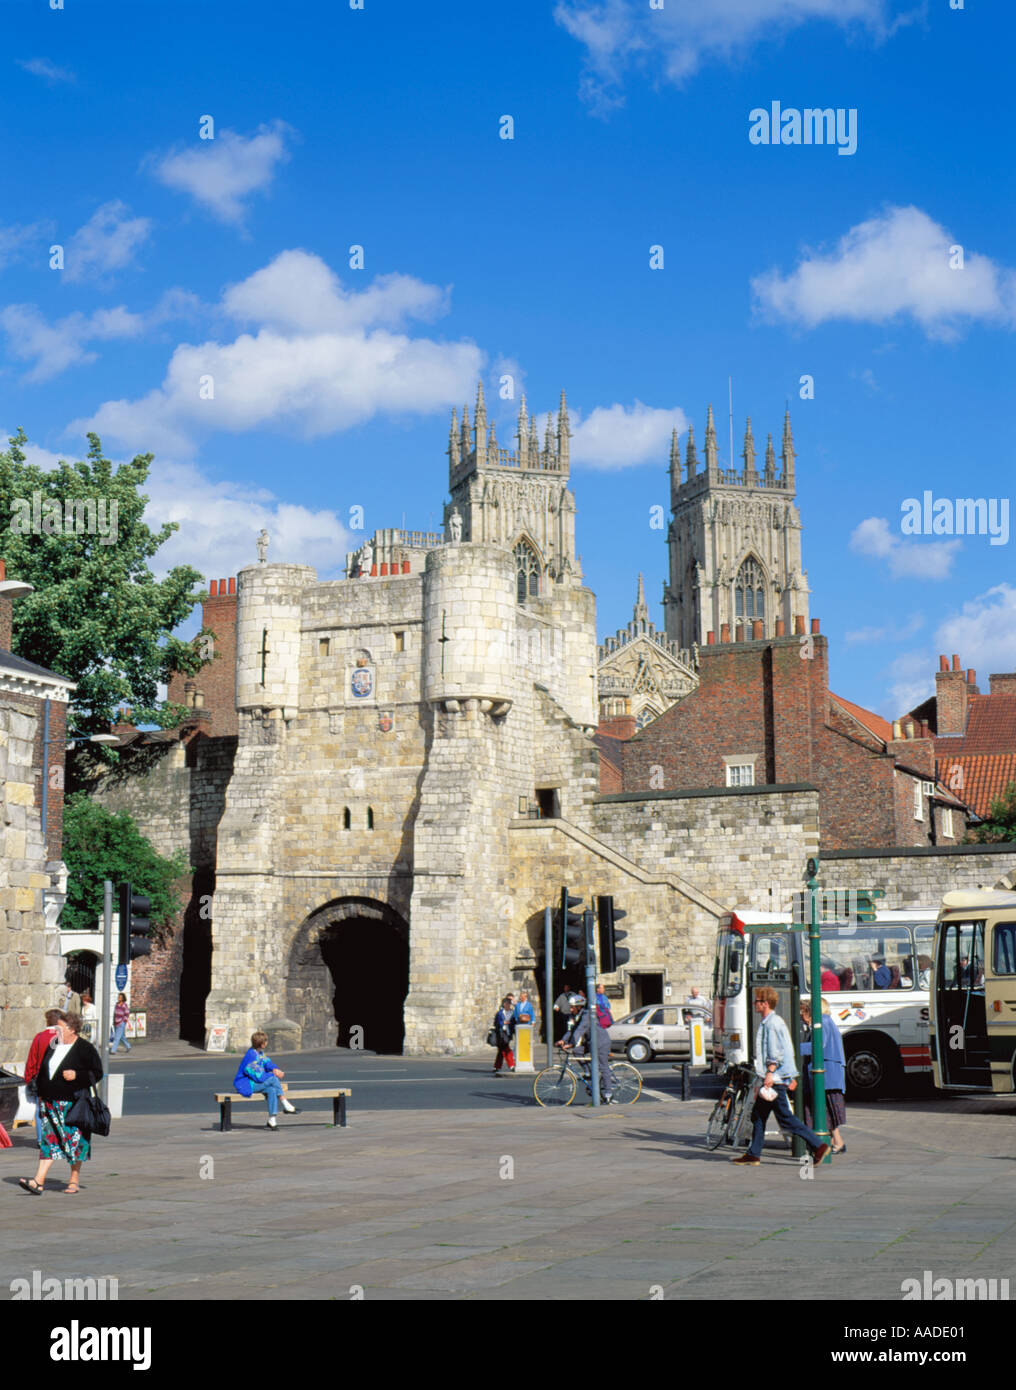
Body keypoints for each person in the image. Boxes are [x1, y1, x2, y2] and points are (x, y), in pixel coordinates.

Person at [730, 988, 830, 1169]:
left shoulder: (772, 1023)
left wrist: (770, 1073)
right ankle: (753, 1154)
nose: (755, 1004)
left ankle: (818, 1145)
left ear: (765, 1003)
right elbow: (788, 1048)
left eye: (757, 1001)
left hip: (774, 1079)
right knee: (758, 1116)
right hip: (778, 1077)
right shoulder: (773, 1022)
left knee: (786, 1119)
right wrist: (790, 1075)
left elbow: (775, 1051)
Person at [19, 1012, 103, 1196]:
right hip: (50, 1103)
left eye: (60, 1027)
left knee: (74, 1142)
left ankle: (74, 1180)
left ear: (72, 1029)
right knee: (49, 1141)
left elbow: (97, 1072)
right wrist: (41, 1094)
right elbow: (44, 1070)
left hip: (73, 1104)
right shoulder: (54, 1045)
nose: (56, 1030)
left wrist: (77, 1075)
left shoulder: (85, 1048)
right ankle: (38, 1181)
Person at [800, 998, 847, 1154]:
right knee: (825, 1111)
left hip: (827, 1074)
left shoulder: (823, 1022)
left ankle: (831, 1143)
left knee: (823, 1110)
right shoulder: (824, 1022)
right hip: (828, 1074)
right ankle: (836, 1142)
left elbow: (818, 1045)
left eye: (803, 1013)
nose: (802, 1017)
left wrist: (792, 1046)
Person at [233, 1031, 300, 1129]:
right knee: (273, 1079)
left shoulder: (259, 1052)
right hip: (247, 1084)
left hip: (254, 1082)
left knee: (272, 1090)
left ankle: (272, 1120)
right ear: (262, 1044)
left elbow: (267, 1062)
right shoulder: (251, 1056)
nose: (267, 1043)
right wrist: (273, 1074)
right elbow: (257, 1076)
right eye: (265, 1041)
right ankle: (286, 1104)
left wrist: (275, 1069)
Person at [558, 993, 613, 1103]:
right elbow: (572, 1029)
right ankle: (589, 1072)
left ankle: (608, 1093)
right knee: (577, 1051)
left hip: (601, 1042)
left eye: (572, 1007)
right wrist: (563, 1040)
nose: (571, 1009)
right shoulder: (576, 1016)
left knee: (603, 1066)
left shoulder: (587, 1015)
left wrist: (572, 1043)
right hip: (590, 1042)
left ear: (579, 1006)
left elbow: (580, 1030)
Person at [24, 1009, 64, 1146]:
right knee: (58, 1108)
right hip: (59, 1080)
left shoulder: (39, 1037)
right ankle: (58, 1137)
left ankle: (41, 1139)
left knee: (40, 1109)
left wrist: (28, 1077)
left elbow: (32, 1060)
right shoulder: (62, 1038)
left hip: (41, 1079)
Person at [492, 997, 516, 1074]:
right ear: (504, 1004)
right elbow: (497, 1023)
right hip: (501, 1033)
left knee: (501, 1050)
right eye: (507, 1004)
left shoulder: (512, 1012)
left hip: (508, 1033)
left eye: (509, 1004)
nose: (508, 1005)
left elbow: (514, 1021)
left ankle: (497, 1066)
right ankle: (511, 1065)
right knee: (506, 1049)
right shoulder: (500, 1013)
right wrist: (504, 1023)